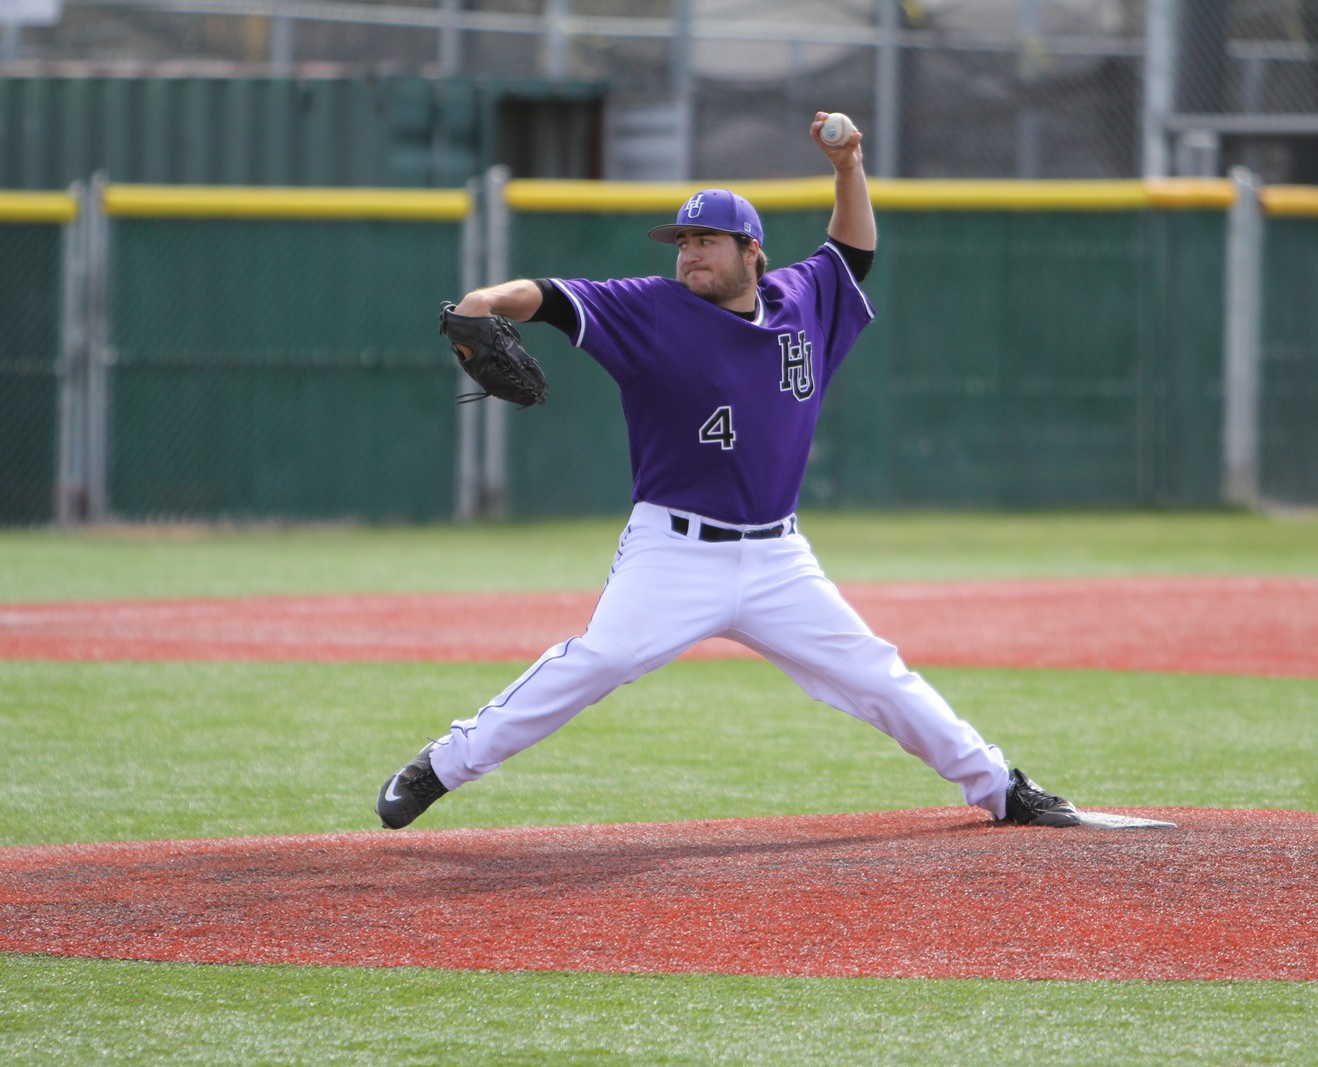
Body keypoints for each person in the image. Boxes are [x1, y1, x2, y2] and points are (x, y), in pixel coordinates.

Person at [377, 113, 1081, 830]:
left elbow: (853, 251)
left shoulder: (802, 301)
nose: (689, 256)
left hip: (779, 557)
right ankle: (438, 764)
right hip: (673, 550)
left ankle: (1000, 787)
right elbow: (551, 299)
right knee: (598, 659)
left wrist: (848, 167)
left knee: (878, 675)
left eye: (706, 241)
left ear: (752, 253)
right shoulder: (649, 309)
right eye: (683, 242)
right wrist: (487, 303)